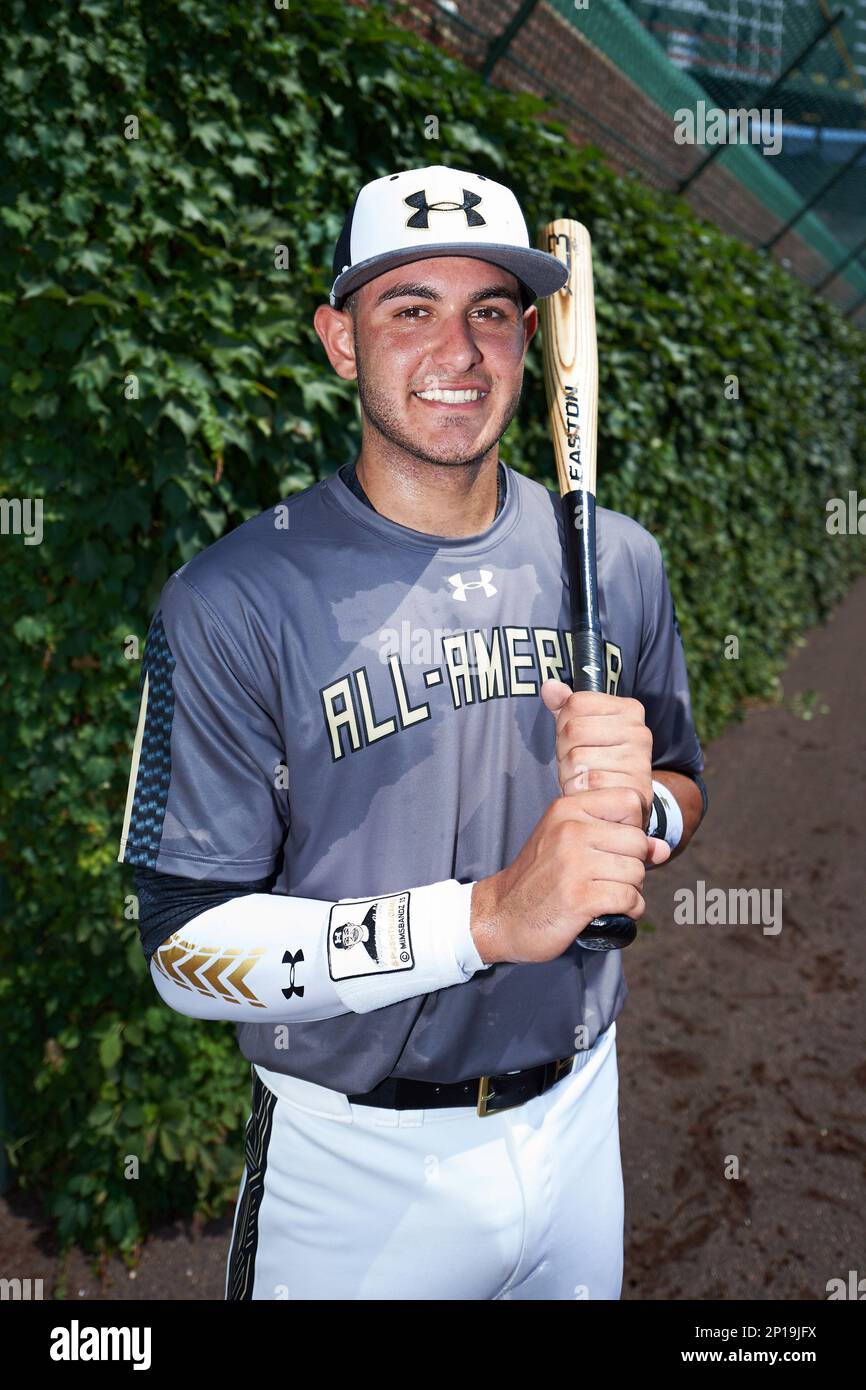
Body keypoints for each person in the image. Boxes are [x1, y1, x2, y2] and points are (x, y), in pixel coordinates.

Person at [118, 164, 707, 1301]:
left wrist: (636, 813)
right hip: (357, 1168)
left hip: (581, 1117)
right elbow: (182, 948)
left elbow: (681, 781)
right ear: (339, 339)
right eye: (409, 309)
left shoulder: (616, 561)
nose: (459, 351)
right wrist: (482, 918)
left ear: (530, 341)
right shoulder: (230, 598)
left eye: (491, 311)